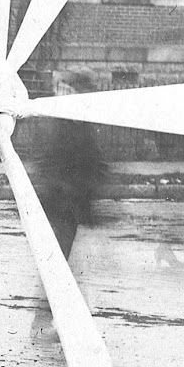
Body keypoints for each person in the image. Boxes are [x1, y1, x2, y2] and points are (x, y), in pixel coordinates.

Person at [29, 66, 109, 340]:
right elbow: (52, 161)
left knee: (58, 263)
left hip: (68, 204)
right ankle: (43, 324)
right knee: (56, 264)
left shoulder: (77, 121)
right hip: (60, 204)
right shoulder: (66, 122)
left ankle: (49, 321)